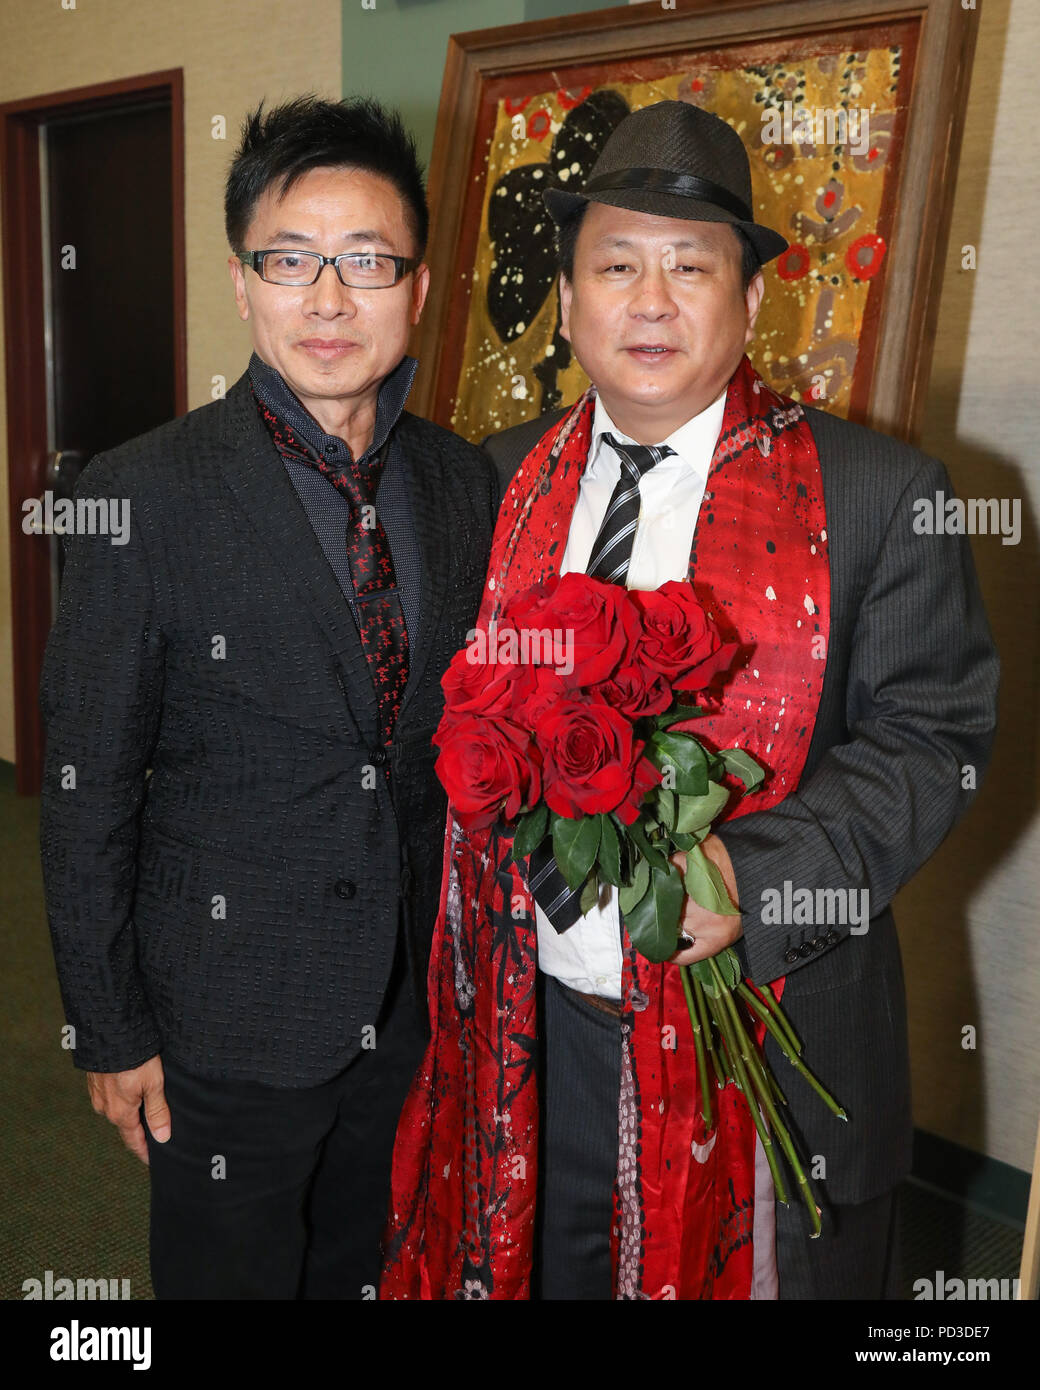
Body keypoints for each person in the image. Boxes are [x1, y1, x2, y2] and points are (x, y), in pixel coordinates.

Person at [381, 100, 999, 1300]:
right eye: (615, 265)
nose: (649, 300)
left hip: (760, 1035)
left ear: (748, 301)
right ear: (567, 302)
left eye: (688, 266)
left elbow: (933, 739)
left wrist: (750, 877)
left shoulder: (877, 492)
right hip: (528, 1041)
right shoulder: (492, 482)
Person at [39, 94, 499, 1300]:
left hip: (404, 1000)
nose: (329, 298)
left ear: (419, 284)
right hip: (220, 1014)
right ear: (242, 282)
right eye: (291, 261)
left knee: (363, 1260)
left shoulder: (464, 483)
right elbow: (86, 788)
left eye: (366, 261)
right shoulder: (145, 494)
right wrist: (110, 1025)